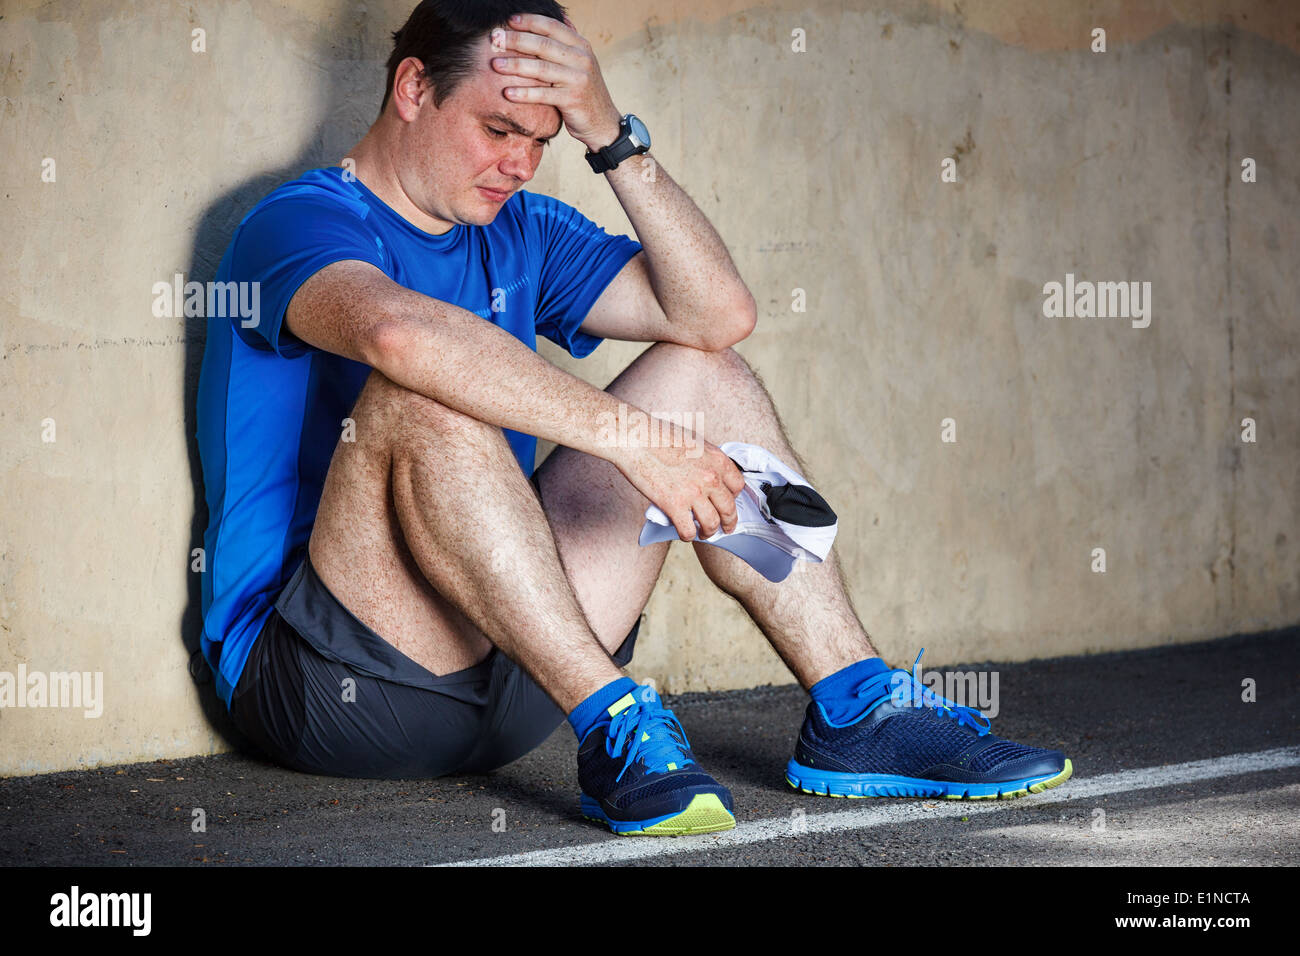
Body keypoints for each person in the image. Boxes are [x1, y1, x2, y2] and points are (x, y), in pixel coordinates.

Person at [195, 0, 1071, 837]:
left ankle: (854, 707)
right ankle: (615, 716)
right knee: (422, 391)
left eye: (541, 142)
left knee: (703, 370)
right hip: (325, 682)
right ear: (414, 88)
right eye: (498, 130)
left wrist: (610, 135)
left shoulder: (521, 228)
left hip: (521, 676)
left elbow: (715, 314)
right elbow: (396, 333)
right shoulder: (300, 220)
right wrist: (637, 443)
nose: (518, 165)